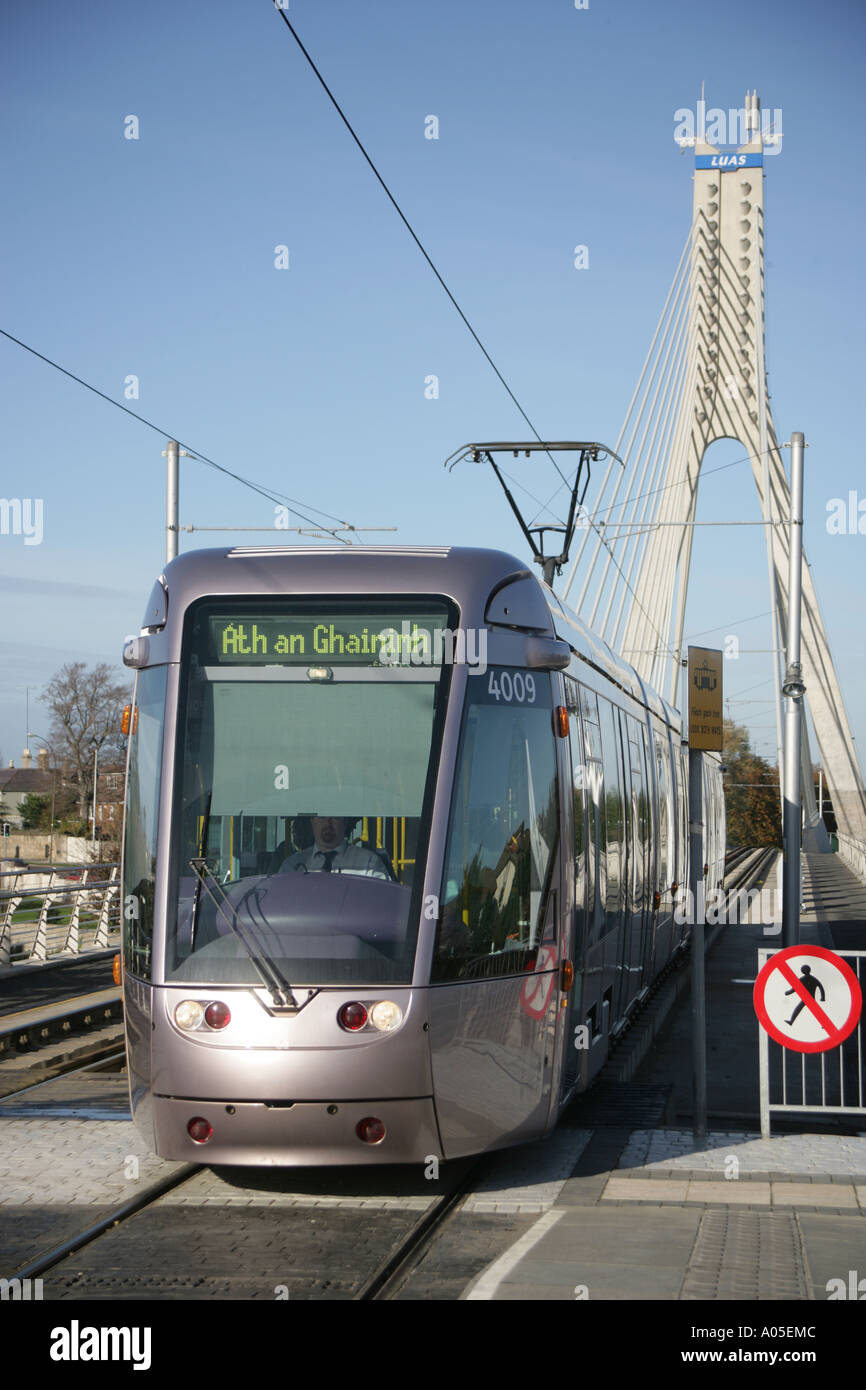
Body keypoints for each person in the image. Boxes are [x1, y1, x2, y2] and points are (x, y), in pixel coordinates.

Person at [278, 815, 391, 878]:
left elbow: (381, 903)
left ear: (345, 821)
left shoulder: (369, 863)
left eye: (335, 817)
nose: (328, 823)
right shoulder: (291, 866)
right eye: (322, 817)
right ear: (312, 821)